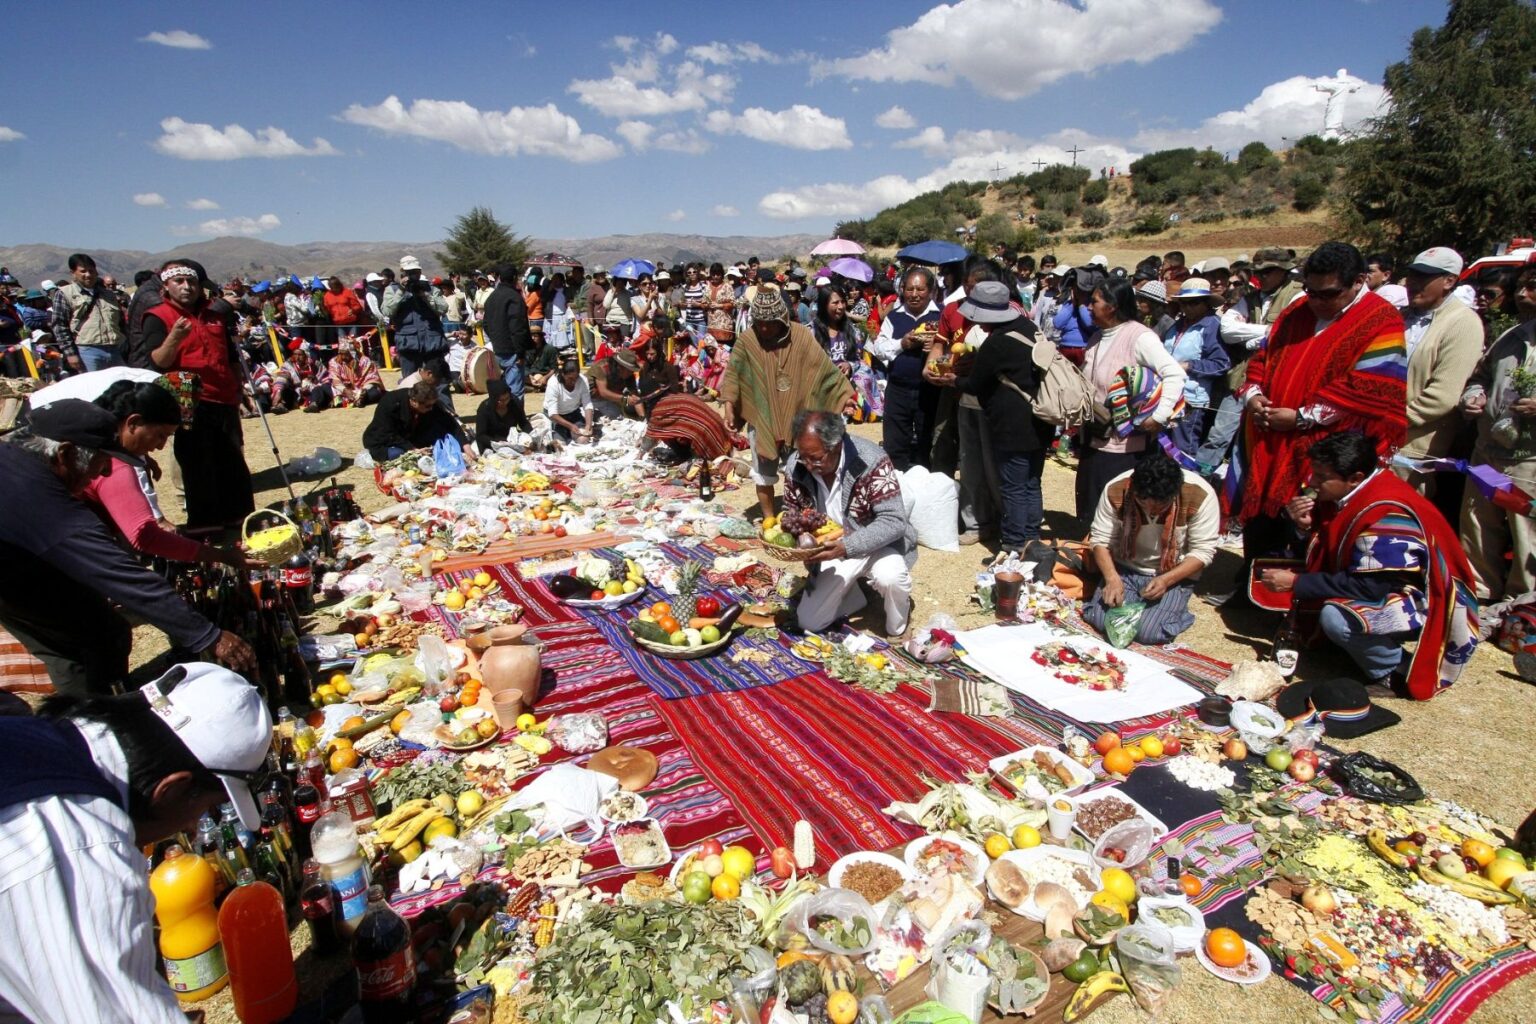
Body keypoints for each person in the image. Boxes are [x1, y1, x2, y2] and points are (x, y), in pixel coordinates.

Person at [0, 663, 272, 1024]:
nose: (193, 829)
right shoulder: (85, 853)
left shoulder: (40, 735)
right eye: (204, 809)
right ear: (171, 789)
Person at [0, 401, 256, 695]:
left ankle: (95, 704)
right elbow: (123, 576)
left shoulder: (14, 457)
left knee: (100, 634)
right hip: (13, 575)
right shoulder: (41, 499)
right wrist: (208, 636)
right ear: (65, 453)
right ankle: (93, 719)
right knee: (90, 643)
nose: (105, 471)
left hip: (15, 565)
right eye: (101, 462)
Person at [1260, 432, 1479, 699]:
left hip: (1424, 600)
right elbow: (1336, 543)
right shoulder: (1357, 493)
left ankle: (1394, 671)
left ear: (1356, 478)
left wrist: (1297, 583)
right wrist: (1305, 527)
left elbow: (1371, 588)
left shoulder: (1385, 512)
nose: (1311, 482)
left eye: (1321, 477)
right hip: (1380, 582)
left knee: (1337, 618)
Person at [1227, 241, 1408, 564]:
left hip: (1329, 448)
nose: (1317, 301)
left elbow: (1369, 388)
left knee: (1310, 523)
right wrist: (1254, 396)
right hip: (1271, 437)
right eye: (1310, 291)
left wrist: (1301, 418)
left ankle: (1300, 596)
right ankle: (1254, 582)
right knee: (1263, 518)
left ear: (1358, 281)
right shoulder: (1297, 311)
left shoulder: (1382, 321)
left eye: (1328, 294)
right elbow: (1263, 357)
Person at [137, 261, 255, 530]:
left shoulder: (215, 315)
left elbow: (231, 355)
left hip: (223, 392)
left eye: (191, 282)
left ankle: (240, 517)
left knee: (232, 457)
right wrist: (175, 337)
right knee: (197, 461)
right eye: (178, 281)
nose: (186, 287)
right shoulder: (157, 316)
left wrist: (239, 387)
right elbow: (159, 361)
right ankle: (206, 522)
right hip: (186, 393)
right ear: (166, 286)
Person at [722, 288, 854, 520]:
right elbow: (734, 375)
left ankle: (805, 514)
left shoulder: (801, 336)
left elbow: (824, 371)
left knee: (803, 468)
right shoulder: (748, 341)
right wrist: (730, 406)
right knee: (763, 473)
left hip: (798, 415)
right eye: (759, 322)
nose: (764, 328)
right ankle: (769, 517)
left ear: (782, 318)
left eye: (770, 323)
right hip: (763, 418)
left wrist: (845, 398)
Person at [87, 380, 251, 567]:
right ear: (133, 423)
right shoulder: (110, 464)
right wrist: (222, 556)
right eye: (160, 435)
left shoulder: (92, 438)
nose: (161, 446)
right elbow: (145, 536)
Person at [782, 411, 916, 638]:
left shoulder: (871, 459)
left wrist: (847, 546)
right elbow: (790, 513)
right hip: (832, 549)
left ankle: (899, 622)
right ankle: (853, 594)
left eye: (815, 458)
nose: (808, 464)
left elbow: (894, 520)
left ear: (836, 446)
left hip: (877, 544)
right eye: (802, 456)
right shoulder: (797, 465)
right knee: (810, 622)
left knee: (890, 577)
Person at [1082, 448, 1220, 644]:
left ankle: (1176, 610)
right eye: (1143, 502)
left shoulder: (1200, 494)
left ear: (1174, 493)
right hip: (1125, 568)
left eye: (1160, 505)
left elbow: (1203, 552)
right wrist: (1111, 578)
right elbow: (1101, 539)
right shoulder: (1117, 488)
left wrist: (1165, 580)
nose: (1151, 510)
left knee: (1147, 633)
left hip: (1172, 573)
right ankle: (1158, 607)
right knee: (1102, 620)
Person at [1457, 264, 1536, 601]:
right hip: (1488, 451)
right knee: (1477, 523)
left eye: (1532, 286)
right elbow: (1481, 375)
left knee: (1526, 532)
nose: (1521, 294)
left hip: (1528, 460)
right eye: (1520, 286)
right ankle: (1480, 592)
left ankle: (1522, 606)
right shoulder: (1510, 336)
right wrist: (1472, 396)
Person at [1078, 279, 1187, 520]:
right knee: (1094, 510)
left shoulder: (1140, 338)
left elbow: (1175, 374)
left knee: (1118, 514)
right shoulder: (1097, 337)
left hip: (1124, 450)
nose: (1088, 307)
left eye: (1094, 302)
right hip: (1094, 438)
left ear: (1112, 306)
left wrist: (1158, 416)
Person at [953, 281, 1048, 546]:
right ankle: (1032, 540)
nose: (979, 324)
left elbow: (974, 384)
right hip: (1040, 418)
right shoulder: (1029, 328)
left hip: (1012, 426)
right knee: (1031, 482)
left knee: (1013, 487)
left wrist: (952, 380)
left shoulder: (997, 343)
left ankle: (1016, 544)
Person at [1199, 246, 1306, 474]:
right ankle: (1200, 477)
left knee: (1262, 442)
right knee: (1219, 435)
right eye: (1259, 272)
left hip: (1276, 383)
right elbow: (1228, 329)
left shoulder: (1299, 295)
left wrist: (1250, 337)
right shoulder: (1251, 298)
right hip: (1242, 378)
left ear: (1283, 271)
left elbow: (1290, 332)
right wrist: (1267, 333)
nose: (1261, 277)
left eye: (1267, 272)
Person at [1394, 247, 1484, 508]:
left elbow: (1443, 396)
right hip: (1381, 433)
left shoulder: (1463, 323)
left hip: (1415, 443)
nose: (1413, 284)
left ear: (1449, 281)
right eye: (1412, 276)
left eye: (1425, 278)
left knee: (1403, 513)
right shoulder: (1401, 317)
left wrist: (1394, 419)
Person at [872, 266, 943, 471]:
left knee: (927, 441)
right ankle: (898, 488)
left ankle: (928, 488)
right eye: (909, 289)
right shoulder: (894, 317)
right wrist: (902, 344)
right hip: (899, 389)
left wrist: (937, 348)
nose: (914, 295)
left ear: (931, 291)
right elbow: (879, 349)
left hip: (930, 390)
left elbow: (953, 350)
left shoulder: (941, 315)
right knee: (895, 443)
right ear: (902, 289)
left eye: (920, 289)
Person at [1163, 278, 1231, 457]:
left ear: (1206, 303)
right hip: (1168, 394)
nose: (1187, 307)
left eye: (1193, 303)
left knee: (1182, 448)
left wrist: (1188, 366)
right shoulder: (1177, 326)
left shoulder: (1212, 326)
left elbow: (1221, 363)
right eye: (1184, 303)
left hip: (1191, 399)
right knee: (1163, 446)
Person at [51, 253, 128, 373]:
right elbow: (59, 326)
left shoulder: (108, 294)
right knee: (94, 388)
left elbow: (120, 322)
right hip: (87, 350)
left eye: (91, 270)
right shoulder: (65, 293)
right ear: (73, 273)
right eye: (83, 271)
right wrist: (70, 354)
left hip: (114, 348)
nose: (88, 275)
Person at [363, 379, 470, 463]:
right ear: (414, 402)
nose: (431, 409)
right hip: (386, 441)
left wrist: (465, 445)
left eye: (432, 405)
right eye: (428, 406)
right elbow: (388, 433)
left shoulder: (428, 403)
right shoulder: (390, 402)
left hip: (413, 436)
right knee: (399, 455)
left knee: (442, 439)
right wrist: (412, 449)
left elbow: (449, 421)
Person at [389, 278, 451, 397]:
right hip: (408, 344)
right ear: (403, 273)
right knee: (410, 382)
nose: (413, 276)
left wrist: (425, 294)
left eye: (415, 271)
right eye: (409, 272)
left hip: (433, 342)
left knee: (439, 380)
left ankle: (446, 413)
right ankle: (412, 413)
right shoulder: (393, 290)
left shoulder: (431, 289)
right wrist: (401, 291)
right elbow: (387, 311)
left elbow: (443, 309)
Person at [482, 263, 533, 400]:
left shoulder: (491, 298)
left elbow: (485, 324)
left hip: (498, 348)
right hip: (512, 349)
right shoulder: (514, 298)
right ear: (515, 278)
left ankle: (506, 418)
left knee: (503, 387)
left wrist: (496, 339)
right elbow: (518, 327)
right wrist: (520, 352)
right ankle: (516, 418)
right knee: (515, 389)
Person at [644, 392, 736, 464]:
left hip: (708, 439)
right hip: (722, 433)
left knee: (666, 435)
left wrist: (641, 453)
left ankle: (692, 456)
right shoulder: (672, 399)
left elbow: (651, 436)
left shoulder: (658, 411)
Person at [543, 359, 596, 442]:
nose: (574, 382)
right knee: (560, 444)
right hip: (557, 418)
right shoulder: (553, 383)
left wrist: (588, 425)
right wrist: (570, 426)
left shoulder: (582, 381)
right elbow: (553, 414)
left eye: (576, 378)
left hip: (573, 413)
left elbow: (587, 404)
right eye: (570, 378)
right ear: (563, 374)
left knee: (583, 439)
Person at [325, 338, 385, 408]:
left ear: (352, 353)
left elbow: (372, 379)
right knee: (325, 388)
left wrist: (363, 391)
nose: (343, 357)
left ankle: (361, 399)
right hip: (342, 391)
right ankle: (348, 400)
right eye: (341, 354)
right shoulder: (334, 362)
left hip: (362, 390)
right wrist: (345, 390)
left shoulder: (365, 361)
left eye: (346, 354)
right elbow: (335, 379)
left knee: (375, 392)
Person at [473, 378, 532, 450]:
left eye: (507, 399)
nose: (505, 402)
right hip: (491, 444)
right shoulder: (484, 409)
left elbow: (523, 423)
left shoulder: (515, 404)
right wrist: (498, 443)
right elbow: (481, 435)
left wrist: (530, 435)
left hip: (512, 441)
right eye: (501, 400)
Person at [524, 326, 561, 391]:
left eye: (535, 336)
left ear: (541, 337)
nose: (533, 338)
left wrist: (545, 378)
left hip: (545, 374)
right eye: (531, 336)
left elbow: (554, 368)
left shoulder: (550, 349)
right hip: (530, 376)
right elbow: (525, 365)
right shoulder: (527, 349)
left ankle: (535, 387)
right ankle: (535, 387)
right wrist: (529, 376)